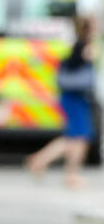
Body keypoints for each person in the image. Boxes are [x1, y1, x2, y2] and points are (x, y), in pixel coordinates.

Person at [26, 14, 97, 186]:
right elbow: (73, 64)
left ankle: (43, 161)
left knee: (75, 137)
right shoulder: (83, 46)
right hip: (75, 97)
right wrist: (88, 56)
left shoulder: (78, 44)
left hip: (74, 97)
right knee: (80, 137)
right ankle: (69, 174)